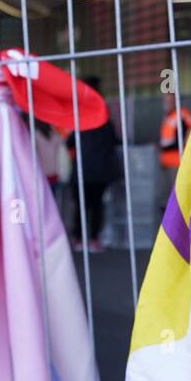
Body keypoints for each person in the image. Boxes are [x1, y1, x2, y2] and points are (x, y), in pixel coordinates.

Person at [73, 76, 122, 252]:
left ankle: (79, 239)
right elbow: (115, 141)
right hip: (100, 172)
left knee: (81, 207)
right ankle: (93, 239)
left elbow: (70, 142)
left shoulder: (80, 120)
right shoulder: (105, 121)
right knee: (96, 207)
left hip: (82, 171)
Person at [156, 94, 191, 216]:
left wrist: (162, 147)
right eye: (165, 100)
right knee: (166, 198)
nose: (166, 103)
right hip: (168, 163)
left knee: (177, 198)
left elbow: (180, 141)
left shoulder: (181, 116)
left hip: (178, 163)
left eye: (169, 100)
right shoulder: (170, 116)